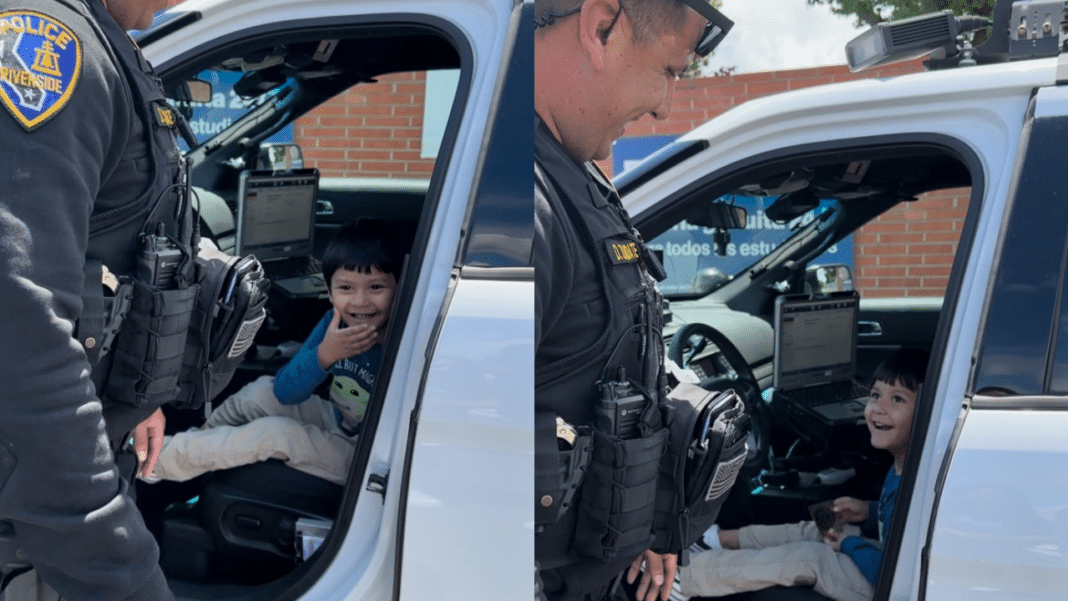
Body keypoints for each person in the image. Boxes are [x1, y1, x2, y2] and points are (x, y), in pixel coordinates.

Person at [534, 1, 733, 600]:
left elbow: (612, 376)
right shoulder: (528, 206)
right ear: (600, 28)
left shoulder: (577, 179)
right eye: (669, 72)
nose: (664, 107)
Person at [0, 0, 194, 599]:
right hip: (37, 495)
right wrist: (114, 570)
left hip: (80, 450)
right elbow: (19, 325)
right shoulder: (49, 44)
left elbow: (118, 249)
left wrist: (140, 393)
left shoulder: (108, 40)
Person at [143, 220, 406, 485]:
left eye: (376, 288)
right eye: (346, 288)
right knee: (259, 393)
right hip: (340, 419)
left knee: (274, 434)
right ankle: (200, 452)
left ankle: (152, 459)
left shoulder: (404, 342)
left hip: (364, 455)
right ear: (328, 292)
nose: (360, 301)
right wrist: (324, 355)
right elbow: (284, 391)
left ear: (399, 291)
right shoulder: (333, 323)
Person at [672, 348, 931, 601]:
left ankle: (687, 578)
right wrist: (868, 510)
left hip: (884, 583)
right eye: (875, 395)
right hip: (884, 556)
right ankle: (718, 541)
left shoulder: (912, 483)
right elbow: (900, 523)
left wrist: (849, 544)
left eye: (897, 399)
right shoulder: (903, 467)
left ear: (929, 412)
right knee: (822, 523)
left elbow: (888, 571)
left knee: (809, 557)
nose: (879, 408)